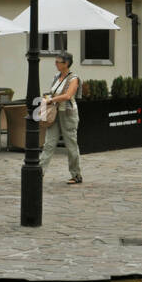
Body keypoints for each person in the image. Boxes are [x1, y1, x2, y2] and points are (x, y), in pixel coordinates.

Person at [40, 51, 82, 184]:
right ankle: (39, 173)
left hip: (68, 115)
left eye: (58, 62)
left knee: (71, 145)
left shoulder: (74, 78)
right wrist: (47, 99)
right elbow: (52, 93)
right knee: (49, 144)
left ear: (67, 63)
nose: (56, 64)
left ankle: (76, 175)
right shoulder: (56, 76)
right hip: (55, 114)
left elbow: (68, 96)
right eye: (56, 61)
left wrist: (51, 100)